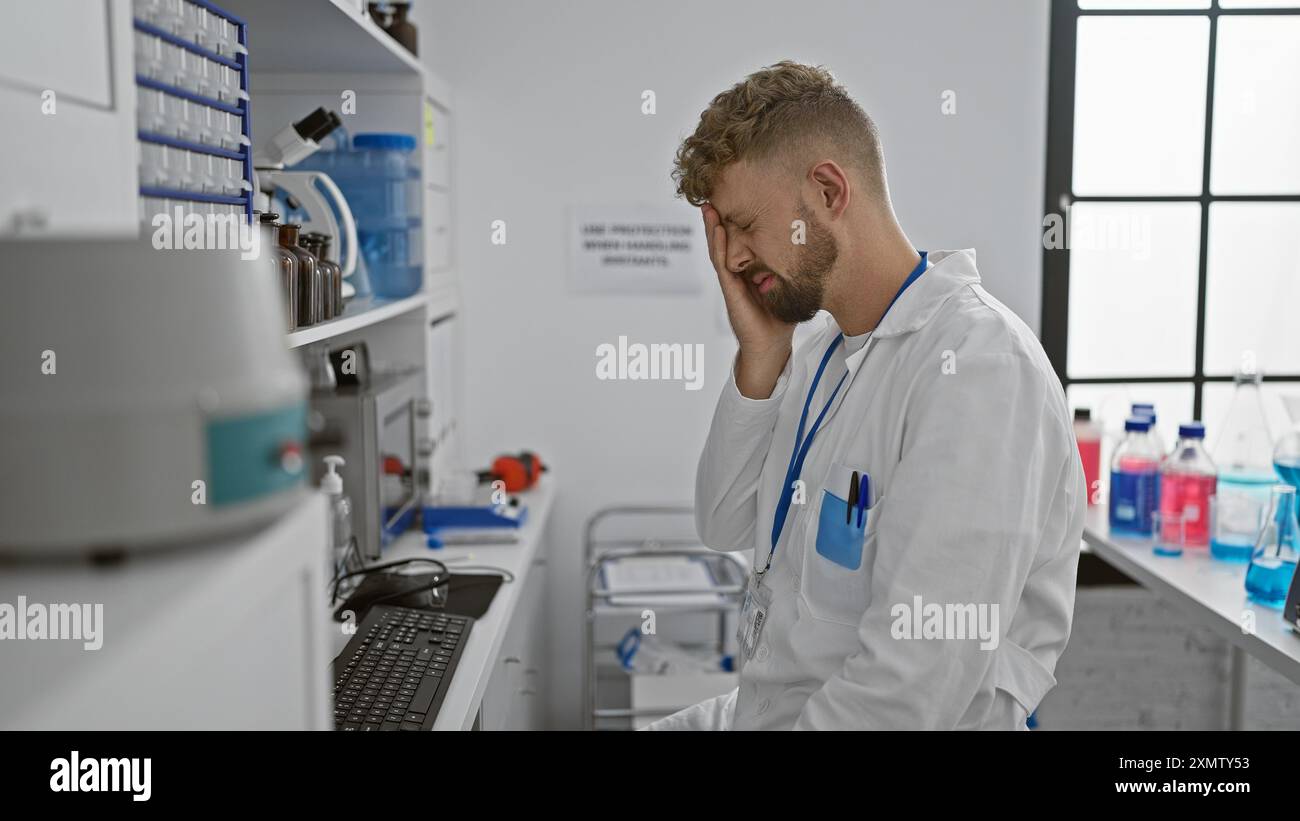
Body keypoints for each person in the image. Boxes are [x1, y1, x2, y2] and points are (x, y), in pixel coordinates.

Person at [647, 61, 1083, 730]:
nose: (730, 259)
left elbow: (905, 691)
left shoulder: (977, 368)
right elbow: (724, 521)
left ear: (827, 191)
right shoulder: (825, 351)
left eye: (742, 225)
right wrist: (761, 356)